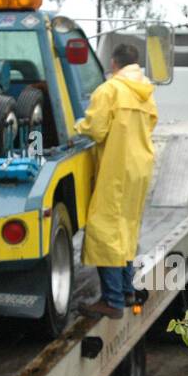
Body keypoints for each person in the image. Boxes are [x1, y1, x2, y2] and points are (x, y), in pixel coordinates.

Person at [75, 42, 158, 319]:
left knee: (104, 229)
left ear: (113, 63)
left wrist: (75, 128)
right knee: (126, 228)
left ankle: (112, 301)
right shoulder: (146, 94)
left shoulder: (110, 90)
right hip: (139, 168)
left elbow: (96, 129)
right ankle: (126, 292)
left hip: (117, 166)